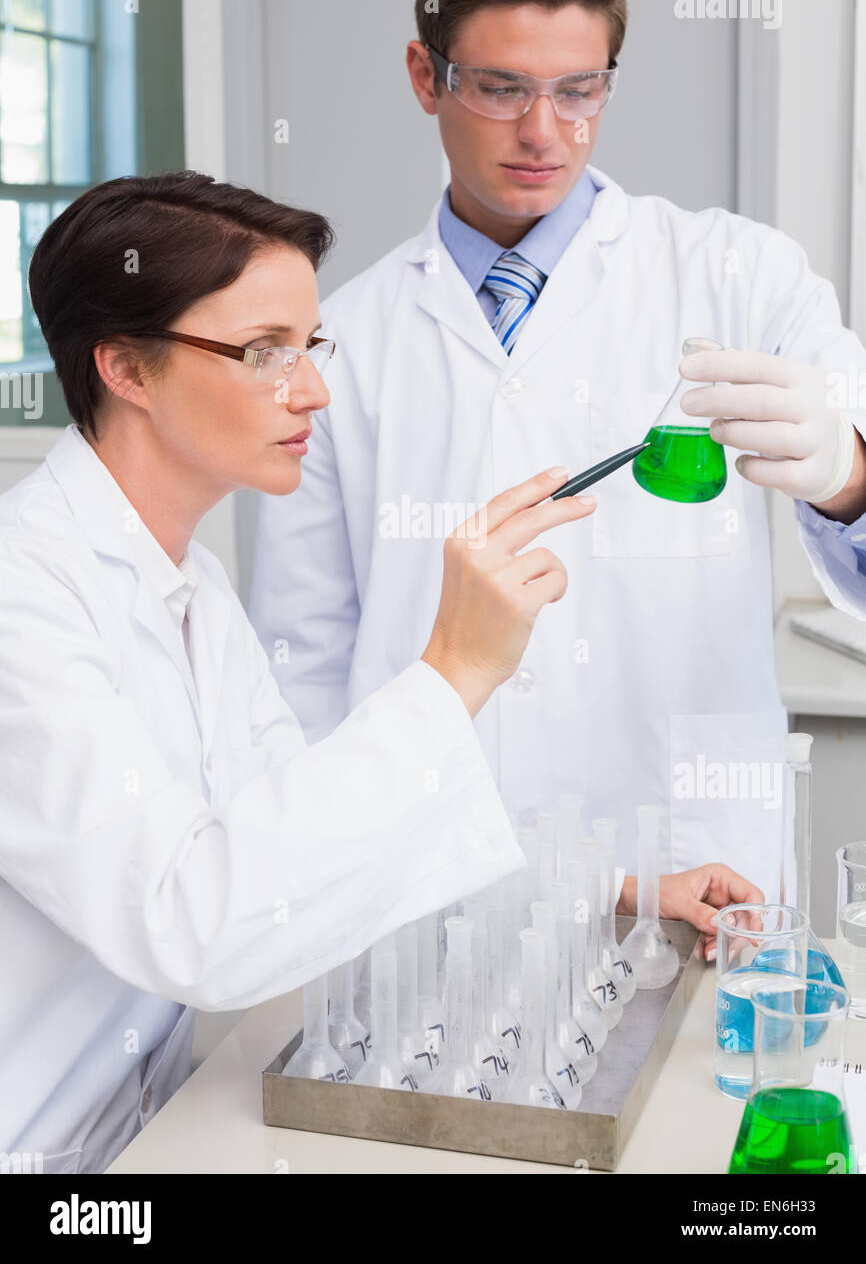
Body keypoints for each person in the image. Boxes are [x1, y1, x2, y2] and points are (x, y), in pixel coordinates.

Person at [249, 0, 866, 916]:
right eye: (500, 89)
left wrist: (845, 476)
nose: (544, 131)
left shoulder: (735, 276)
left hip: (697, 874)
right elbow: (305, 663)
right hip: (424, 908)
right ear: (425, 77)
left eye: (578, 91)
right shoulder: (344, 344)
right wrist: (335, 882)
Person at [0, 170, 594, 1174]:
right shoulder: (24, 595)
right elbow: (197, 923)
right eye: (263, 352)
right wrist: (449, 672)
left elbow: (296, 846)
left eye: (308, 345)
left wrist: (602, 890)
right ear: (125, 369)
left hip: (143, 1132)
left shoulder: (191, 579)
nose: (311, 386)